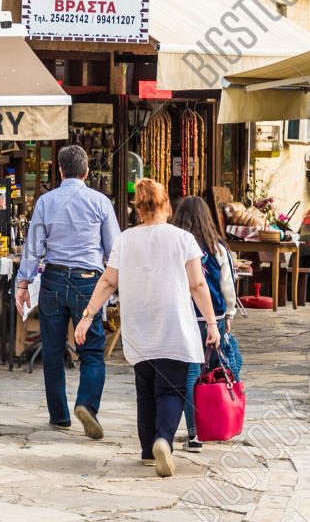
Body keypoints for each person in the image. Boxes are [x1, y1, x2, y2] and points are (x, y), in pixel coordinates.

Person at [73, 180, 219, 477]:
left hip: (140, 327)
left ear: (138, 209)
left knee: (145, 389)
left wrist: (88, 316)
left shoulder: (125, 239)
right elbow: (197, 284)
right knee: (173, 389)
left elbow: (107, 282)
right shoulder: (183, 239)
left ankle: (146, 451)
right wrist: (212, 322)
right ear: (167, 205)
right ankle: (163, 440)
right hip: (174, 325)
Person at [15, 145, 120, 438]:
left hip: (54, 280)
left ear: (59, 171)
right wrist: (116, 287)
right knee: (93, 350)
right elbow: (115, 250)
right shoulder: (100, 202)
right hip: (89, 282)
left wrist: (23, 284)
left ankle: (59, 416)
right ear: (86, 172)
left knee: (52, 349)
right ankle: (86, 403)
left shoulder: (46, 202)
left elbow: (33, 248)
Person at [170, 196, 237, 451]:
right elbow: (227, 284)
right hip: (213, 317)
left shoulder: (176, 246)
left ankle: (194, 433)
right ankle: (212, 424)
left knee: (189, 375)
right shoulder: (218, 248)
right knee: (207, 373)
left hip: (181, 315)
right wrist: (228, 314)